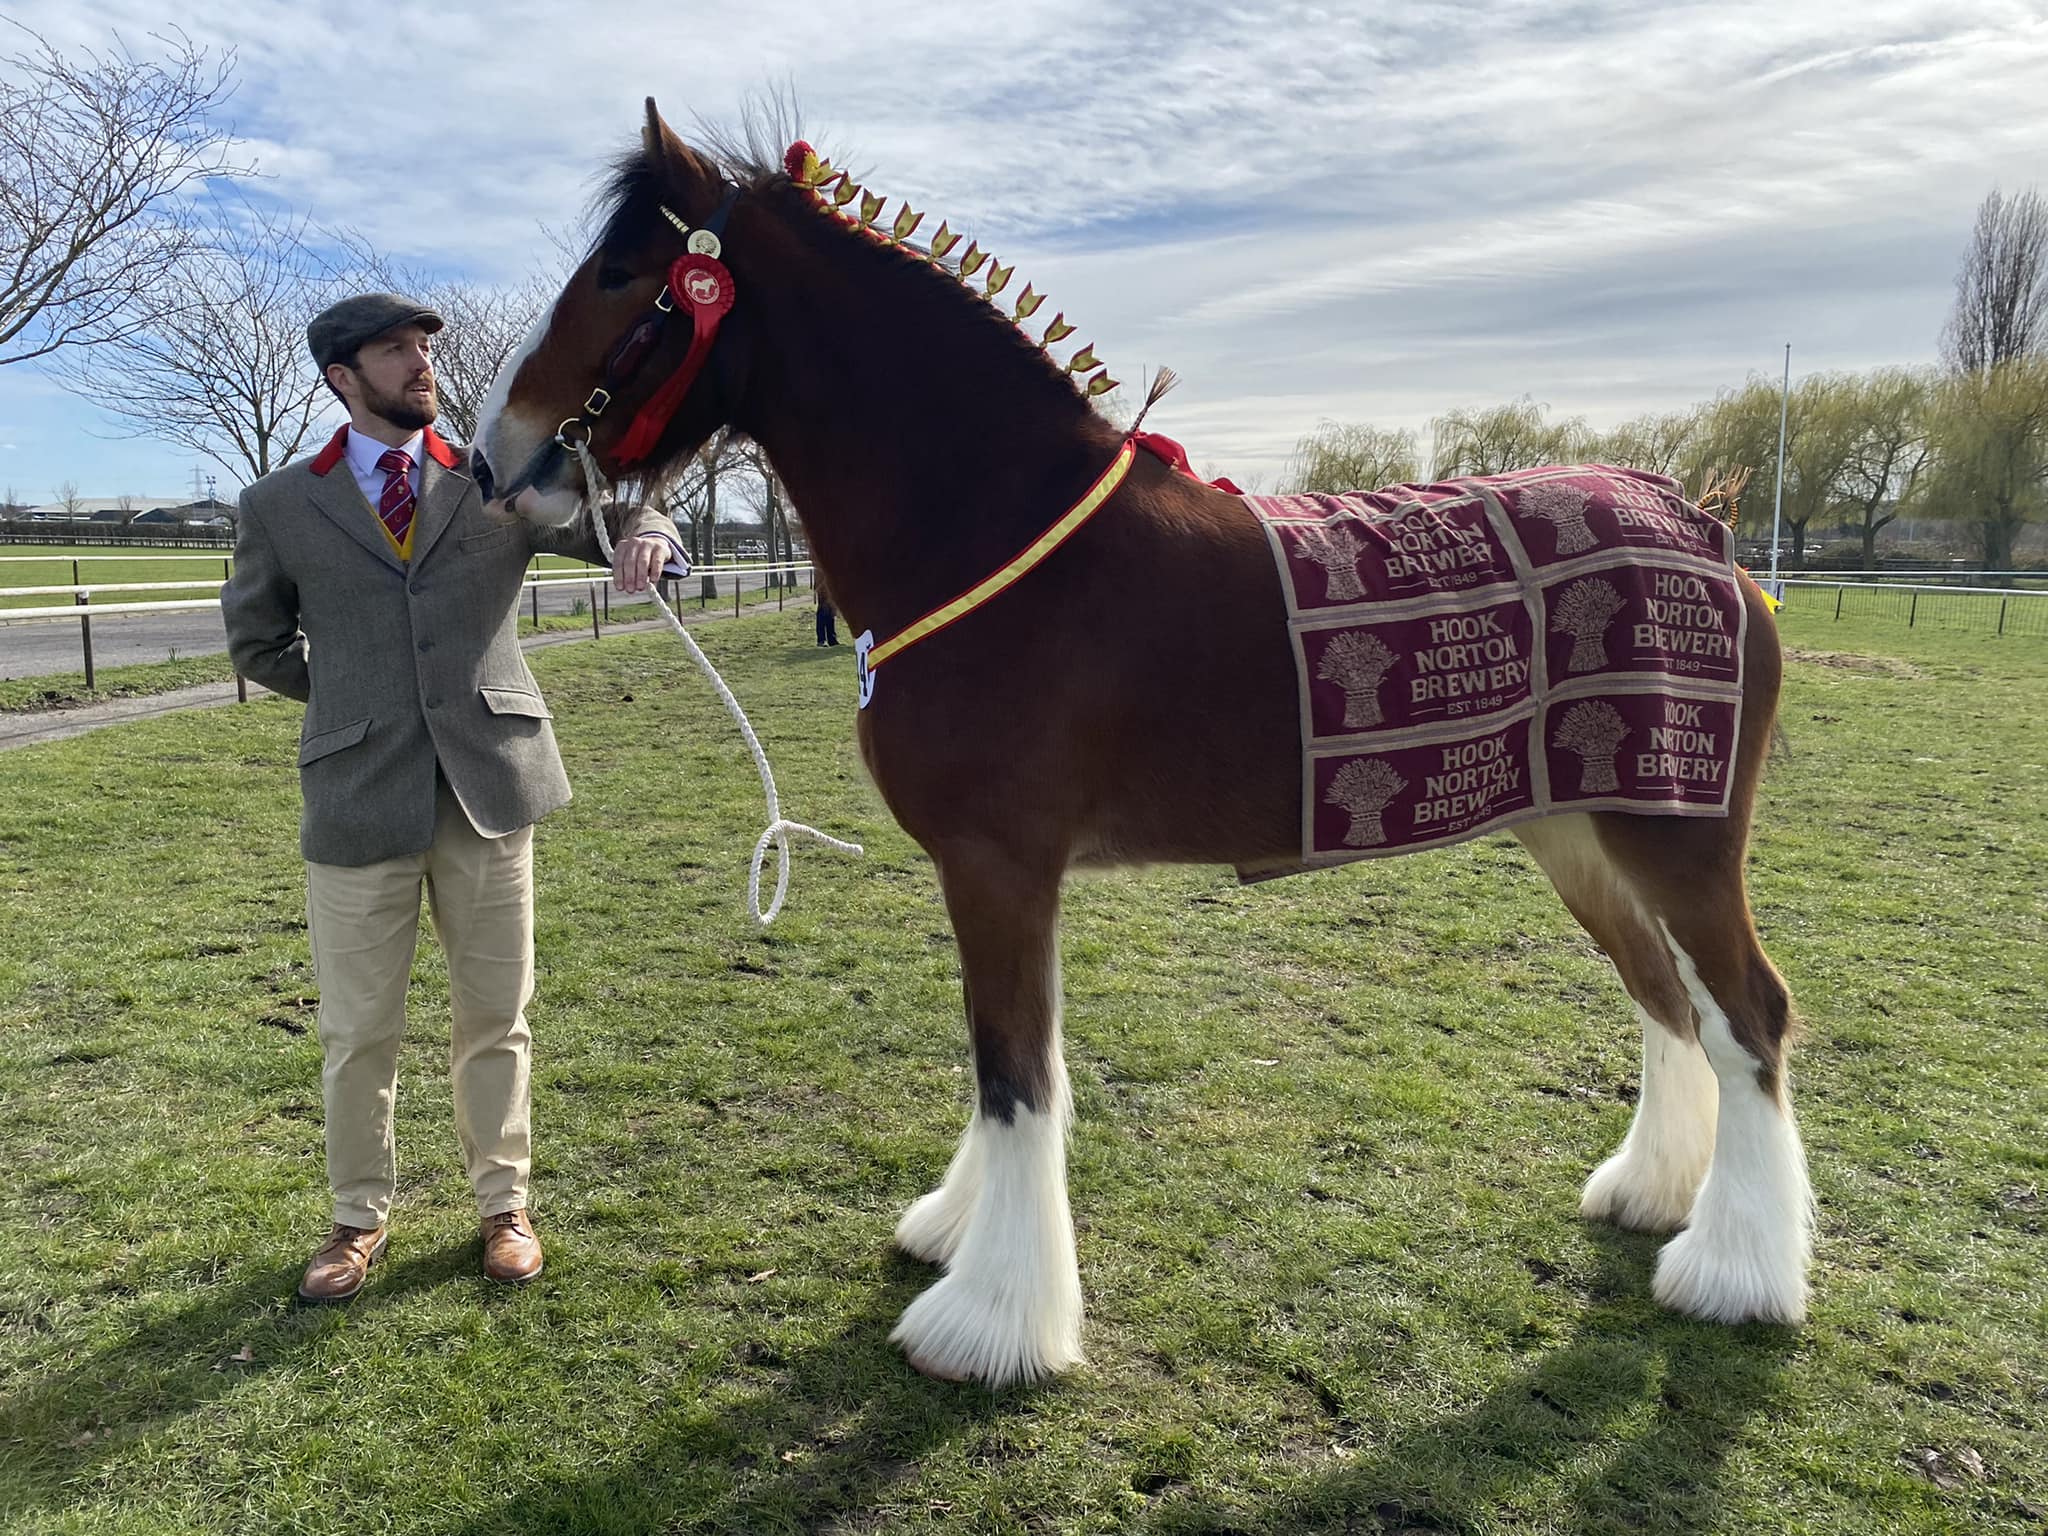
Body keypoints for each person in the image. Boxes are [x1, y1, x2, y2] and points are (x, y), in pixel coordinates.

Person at [222, 293, 687, 1302]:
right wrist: (359, 700)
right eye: (394, 350)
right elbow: (257, 644)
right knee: (357, 1032)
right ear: (343, 378)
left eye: (424, 346)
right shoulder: (276, 507)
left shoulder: (500, 481)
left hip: (491, 786)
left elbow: (615, 511)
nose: (420, 361)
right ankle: (356, 1220)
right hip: (356, 795)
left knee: (496, 1016)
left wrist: (650, 525)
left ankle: (502, 1205)